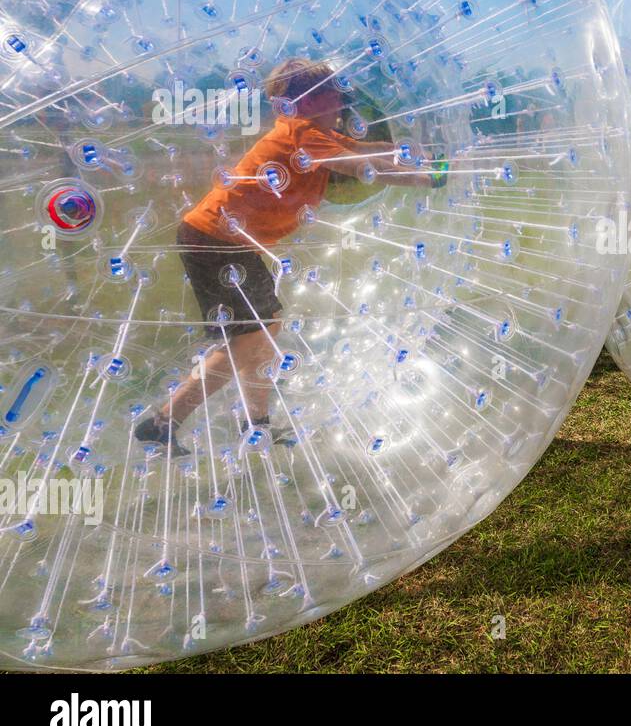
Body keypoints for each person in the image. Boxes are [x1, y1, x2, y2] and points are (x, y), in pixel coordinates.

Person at [134, 58, 434, 455]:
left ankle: (254, 425)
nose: (342, 104)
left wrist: (408, 153)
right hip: (215, 240)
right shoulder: (302, 135)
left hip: (229, 241)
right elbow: (359, 164)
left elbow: (362, 148)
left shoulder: (311, 133)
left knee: (264, 334)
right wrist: (427, 175)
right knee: (248, 344)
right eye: (335, 96)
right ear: (309, 102)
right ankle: (163, 422)